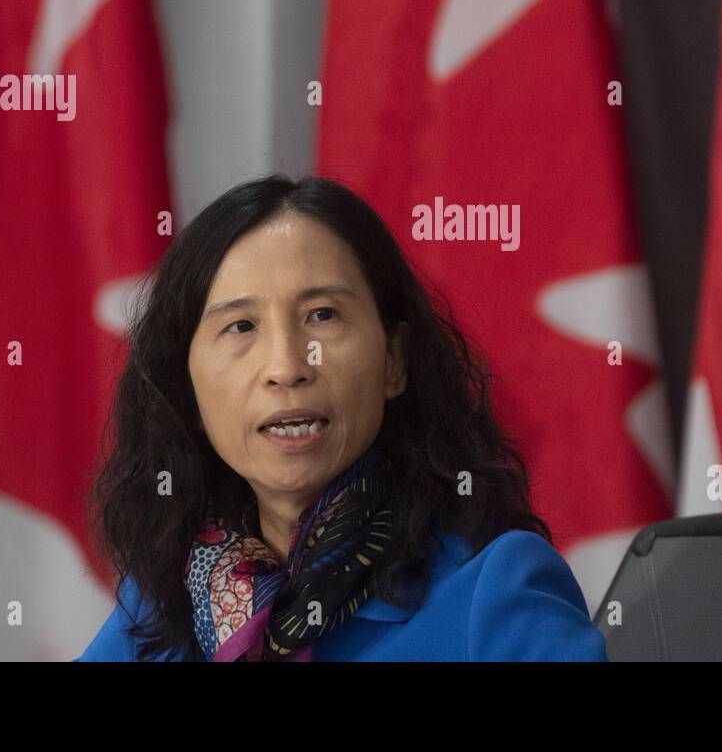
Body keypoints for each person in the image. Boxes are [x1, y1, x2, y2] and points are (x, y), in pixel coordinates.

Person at [75, 173, 608, 661]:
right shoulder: (159, 607)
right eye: (240, 326)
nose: (286, 367)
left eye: (323, 316)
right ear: (185, 392)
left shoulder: (491, 589)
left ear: (394, 361)